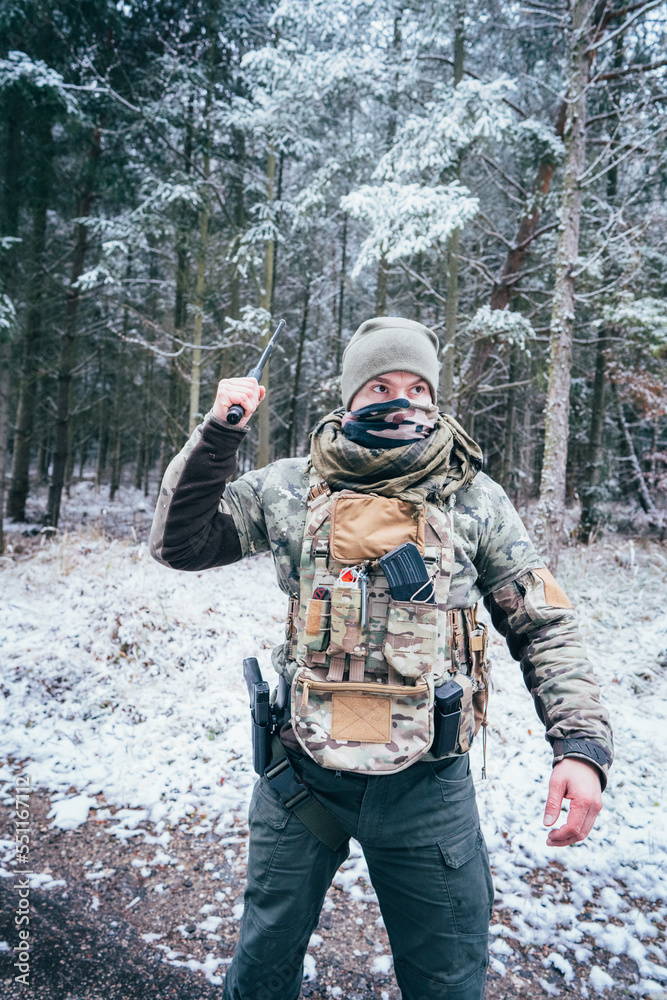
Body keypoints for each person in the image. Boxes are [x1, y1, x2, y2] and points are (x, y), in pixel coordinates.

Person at [150, 317, 613, 1000]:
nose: (401, 401)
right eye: (379, 385)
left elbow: (542, 626)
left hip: (428, 789)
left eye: (417, 387)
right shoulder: (288, 488)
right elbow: (181, 543)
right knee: (261, 969)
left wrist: (579, 744)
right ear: (348, 398)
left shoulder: (472, 499)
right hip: (300, 778)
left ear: (435, 398)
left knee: (447, 979)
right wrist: (221, 432)